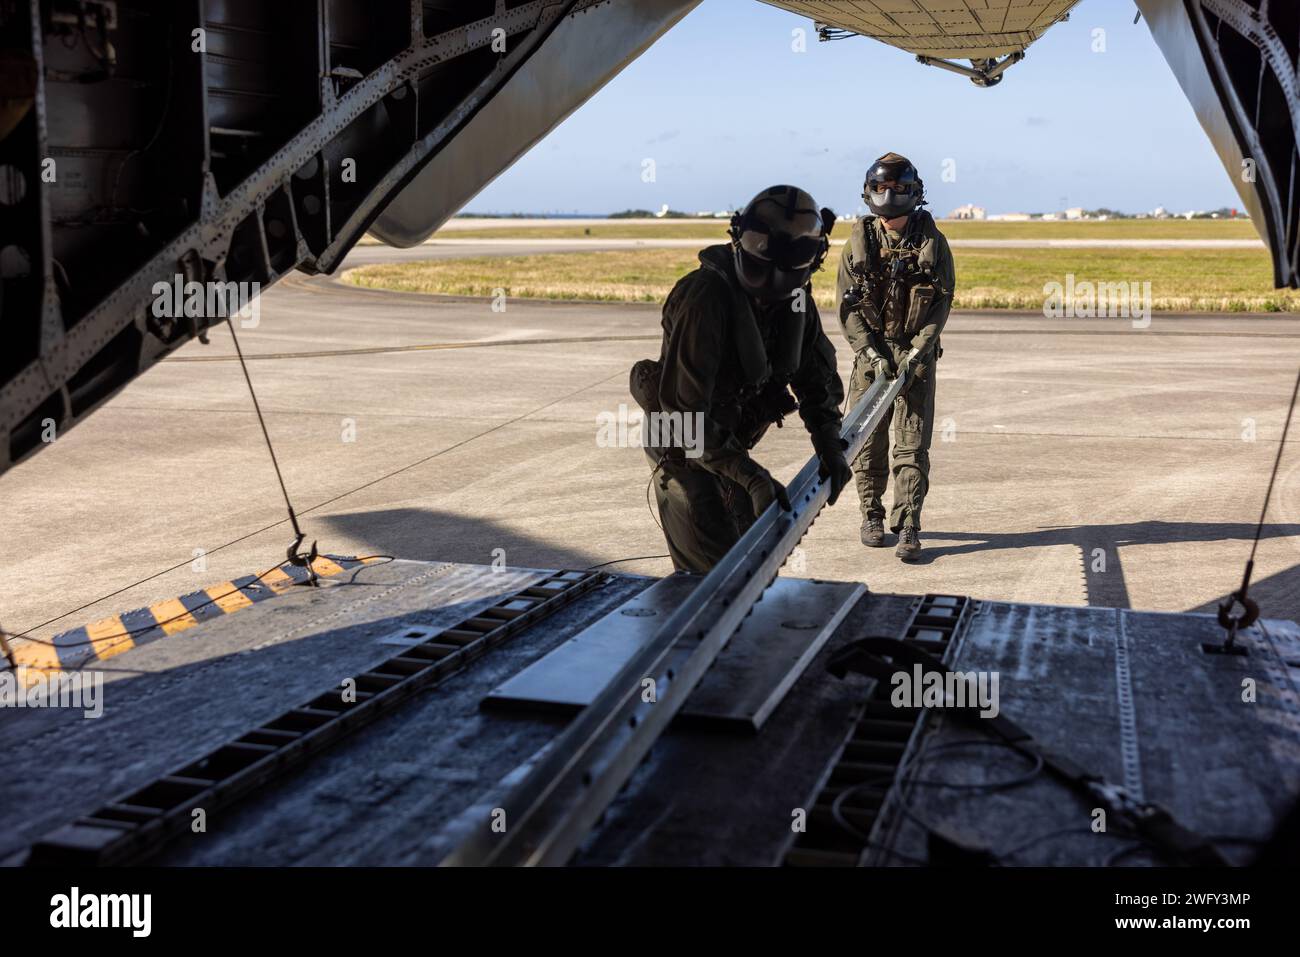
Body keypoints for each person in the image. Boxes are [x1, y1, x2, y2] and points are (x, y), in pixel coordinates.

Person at [630, 185, 853, 573]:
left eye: (789, 257)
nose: (772, 270)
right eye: (762, 249)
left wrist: (829, 442)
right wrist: (750, 478)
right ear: (741, 241)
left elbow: (815, 378)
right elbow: (685, 414)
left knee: (755, 556)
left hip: (726, 446)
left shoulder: (796, 300)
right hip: (682, 447)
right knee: (716, 576)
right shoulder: (705, 298)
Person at [836, 153, 954, 562]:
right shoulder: (858, 244)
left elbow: (941, 303)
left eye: (899, 189)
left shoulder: (932, 242)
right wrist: (869, 351)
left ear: (914, 193)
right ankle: (871, 514)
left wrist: (919, 351)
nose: (890, 196)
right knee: (866, 443)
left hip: (915, 357)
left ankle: (907, 526)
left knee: (911, 445)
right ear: (869, 192)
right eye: (882, 188)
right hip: (872, 354)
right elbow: (847, 308)